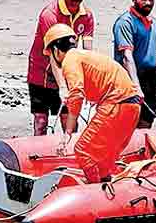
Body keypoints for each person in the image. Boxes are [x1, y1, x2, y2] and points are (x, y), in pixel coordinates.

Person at [44, 24, 142, 184]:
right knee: (104, 160)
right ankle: (105, 183)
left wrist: (68, 132)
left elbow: (76, 95)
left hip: (117, 105)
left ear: (55, 50)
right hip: (132, 106)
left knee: (82, 150)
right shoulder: (85, 55)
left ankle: (95, 190)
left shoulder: (70, 60)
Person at [27, 0, 96, 136]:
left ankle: (70, 148)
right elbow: (53, 56)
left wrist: (88, 84)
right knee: (41, 121)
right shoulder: (49, 15)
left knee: (69, 119)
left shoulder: (87, 16)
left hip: (67, 71)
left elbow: (87, 53)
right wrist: (63, 87)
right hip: (41, 72)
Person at [112, 0, 156, 129]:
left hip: (150, 80)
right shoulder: (125, 22)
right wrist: (135, 87)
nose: (148, 3)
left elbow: (150, 54)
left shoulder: (155, 24)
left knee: (146, 123)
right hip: (129, 80)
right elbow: (127, 57)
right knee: (127, 126)